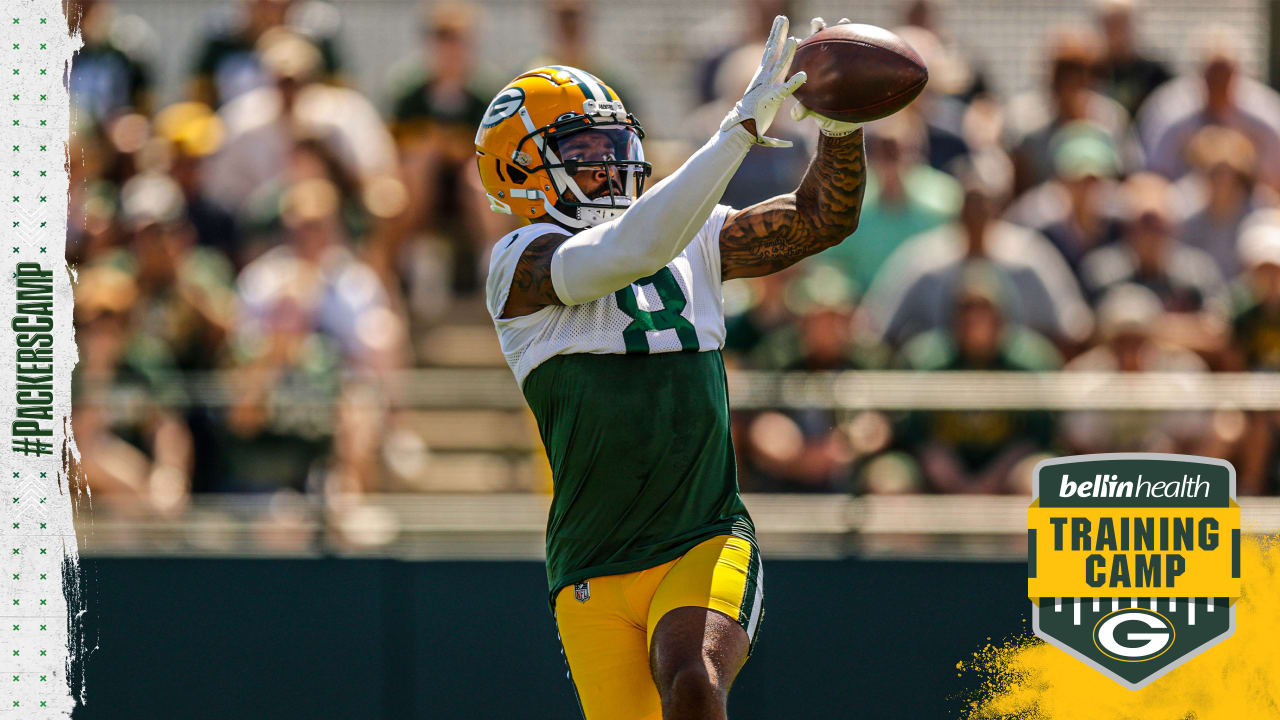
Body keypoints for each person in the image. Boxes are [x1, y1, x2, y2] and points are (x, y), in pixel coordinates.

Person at [476, 17, 866, 720]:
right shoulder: (518, 263)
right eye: (582, 149)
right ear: (516, 168)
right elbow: (627, 252)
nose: (608, 163)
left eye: (612, 145)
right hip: (592, 561)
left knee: (691, 680)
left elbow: (818, 219)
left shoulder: (691, 234)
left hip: (702, 533)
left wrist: (843, 127)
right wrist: (735, 135)